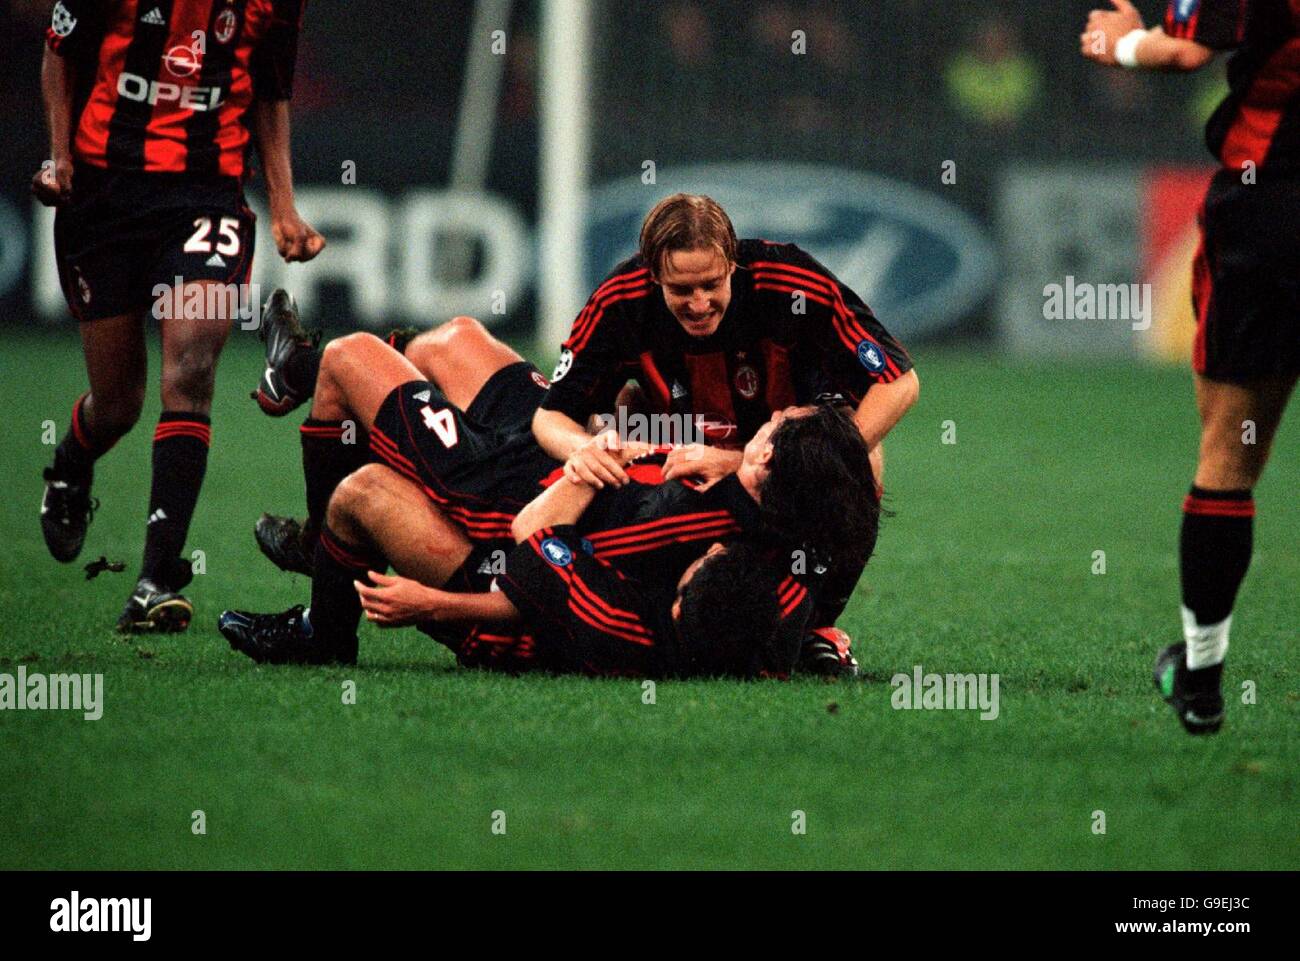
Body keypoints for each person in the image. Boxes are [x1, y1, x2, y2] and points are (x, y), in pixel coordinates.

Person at [217, 296, 875, 670]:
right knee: (452, 340)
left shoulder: (681, 529)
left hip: (506, 493)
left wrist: (591, 463)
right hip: (556, 455)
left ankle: (320, 587)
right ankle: (307, 415)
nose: (773, 413)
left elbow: (539, 551)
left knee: (348, 360)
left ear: (766, 469)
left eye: (776, 424)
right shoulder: (797, 526)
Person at [35, 0, 324, 633]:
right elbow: (59, 54)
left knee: (190, 370)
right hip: (104, 196)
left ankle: (156, 579)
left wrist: (282, 205)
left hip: (207, 194)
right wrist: (60, 156)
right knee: (118, 403)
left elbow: (271, 92)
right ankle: (71, 470)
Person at [529, 194, 918, 662]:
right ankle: (651, 602)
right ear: (653, 276)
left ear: (733, 262)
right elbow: (550, 416)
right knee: (614, 416)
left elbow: (898, 383)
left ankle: (818, 625)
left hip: (778, 447)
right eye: (680, 290)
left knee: (863, 461)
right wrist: (582, 449)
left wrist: (746, 462)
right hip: (674, 440)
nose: (699, 303)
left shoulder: (790, 282)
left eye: (712, 284)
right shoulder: (621, 302)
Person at [1081, 0, 1299, 734]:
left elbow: (1185, 51)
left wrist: (1124, 44)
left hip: (1271, 207)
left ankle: (1202, 676)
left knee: (1229, 452)